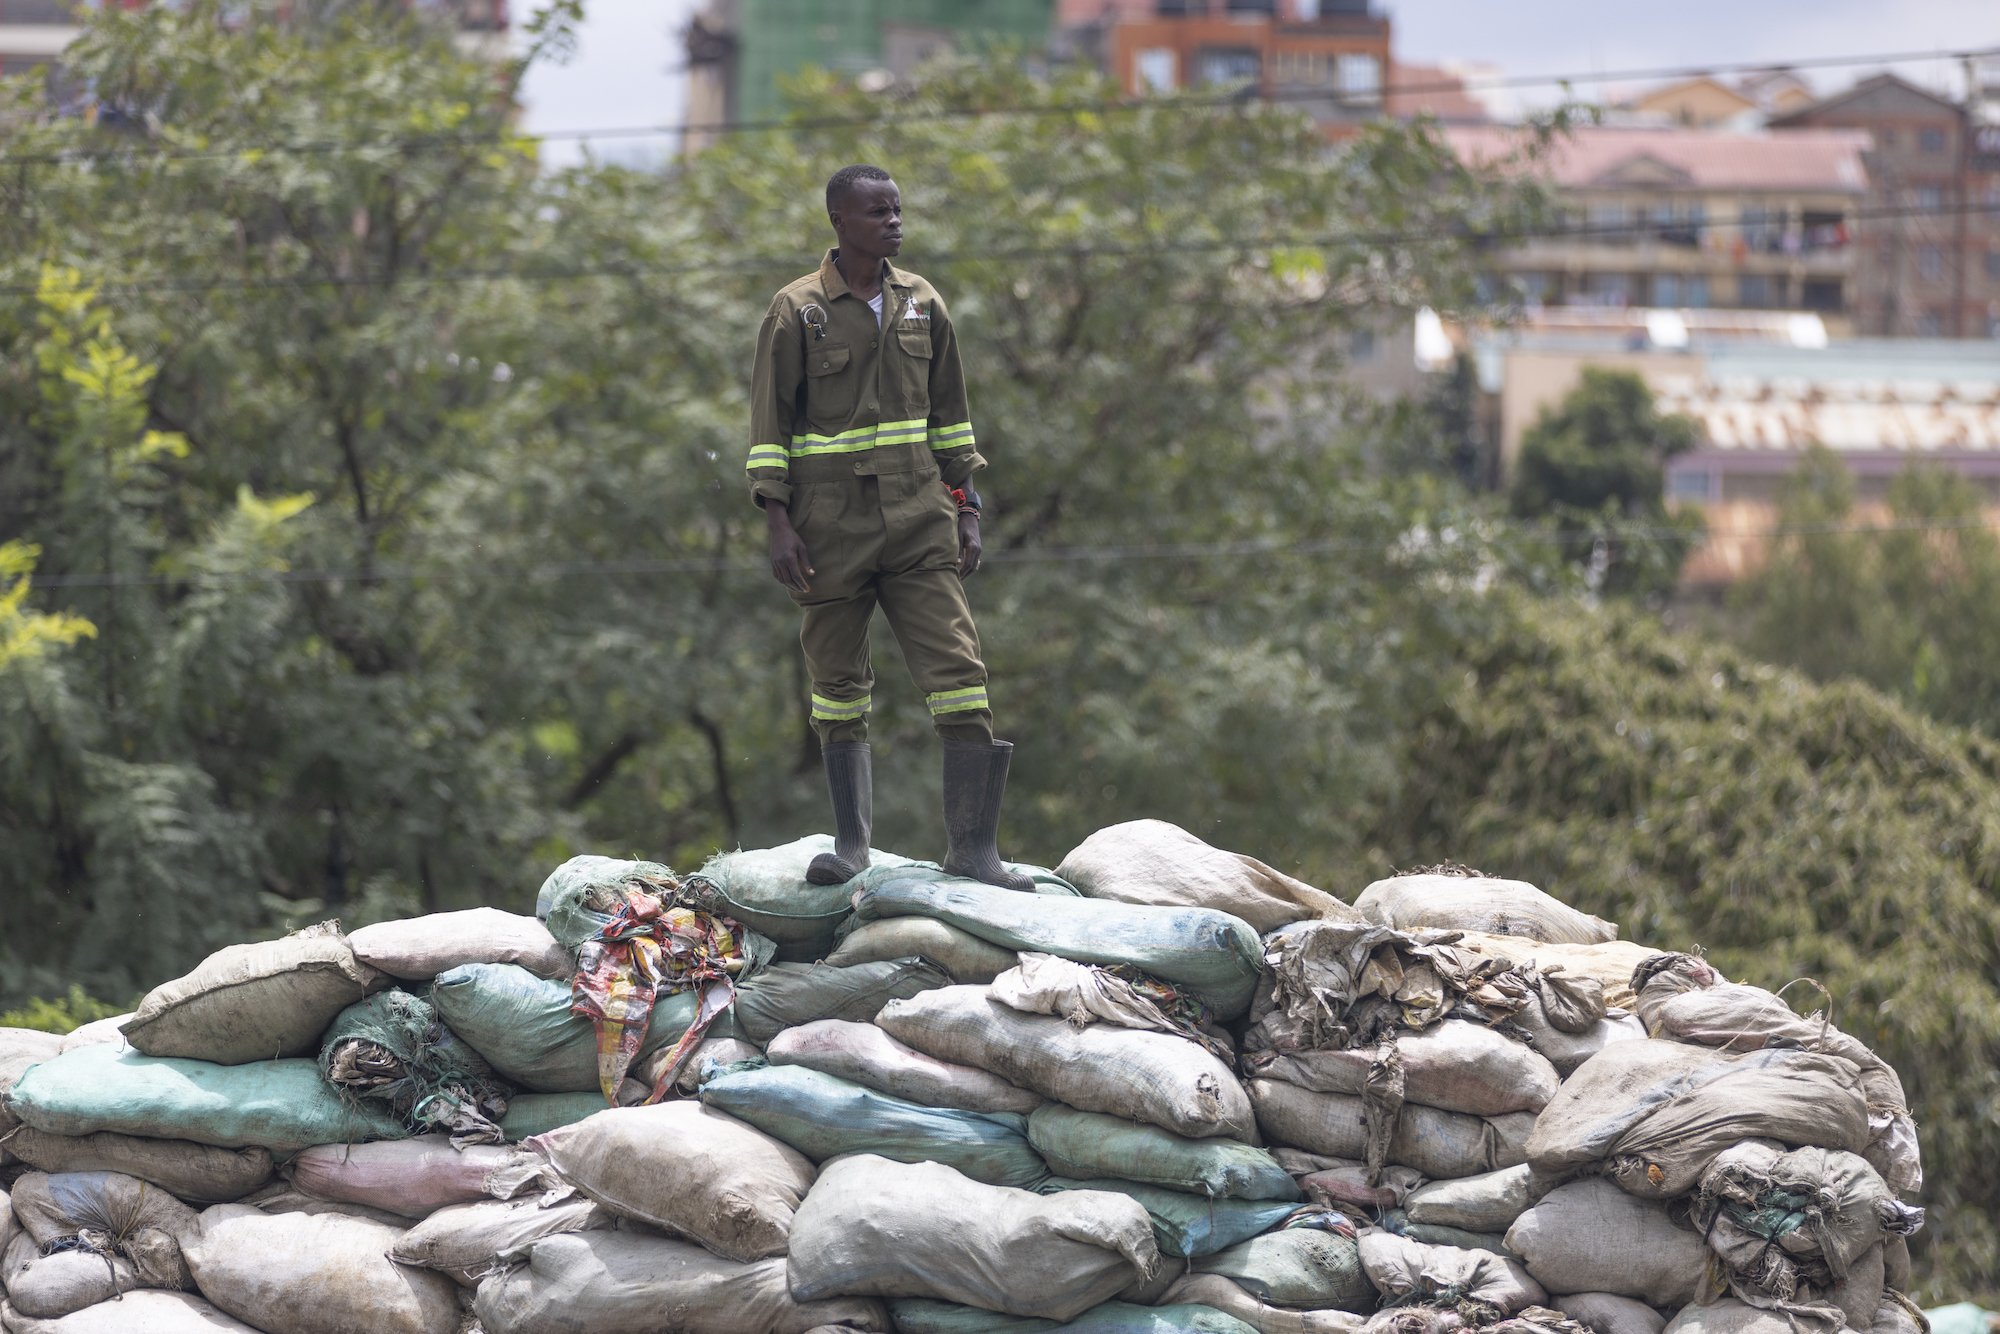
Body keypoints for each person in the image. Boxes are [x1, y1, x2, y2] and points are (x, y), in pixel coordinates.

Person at [747, 163, 1031, 892]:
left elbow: (952, 418)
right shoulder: (797, 311)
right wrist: (777, 524)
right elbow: (769, 427)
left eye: (898, 210)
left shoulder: (922, 302)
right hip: (828, 530)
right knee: (837, 687)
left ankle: (973, 848)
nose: (894, 222)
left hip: (918, 524)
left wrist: (966, 507)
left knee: (961, 677)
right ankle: (851, 845)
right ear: (841, 221)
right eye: (878, 212)